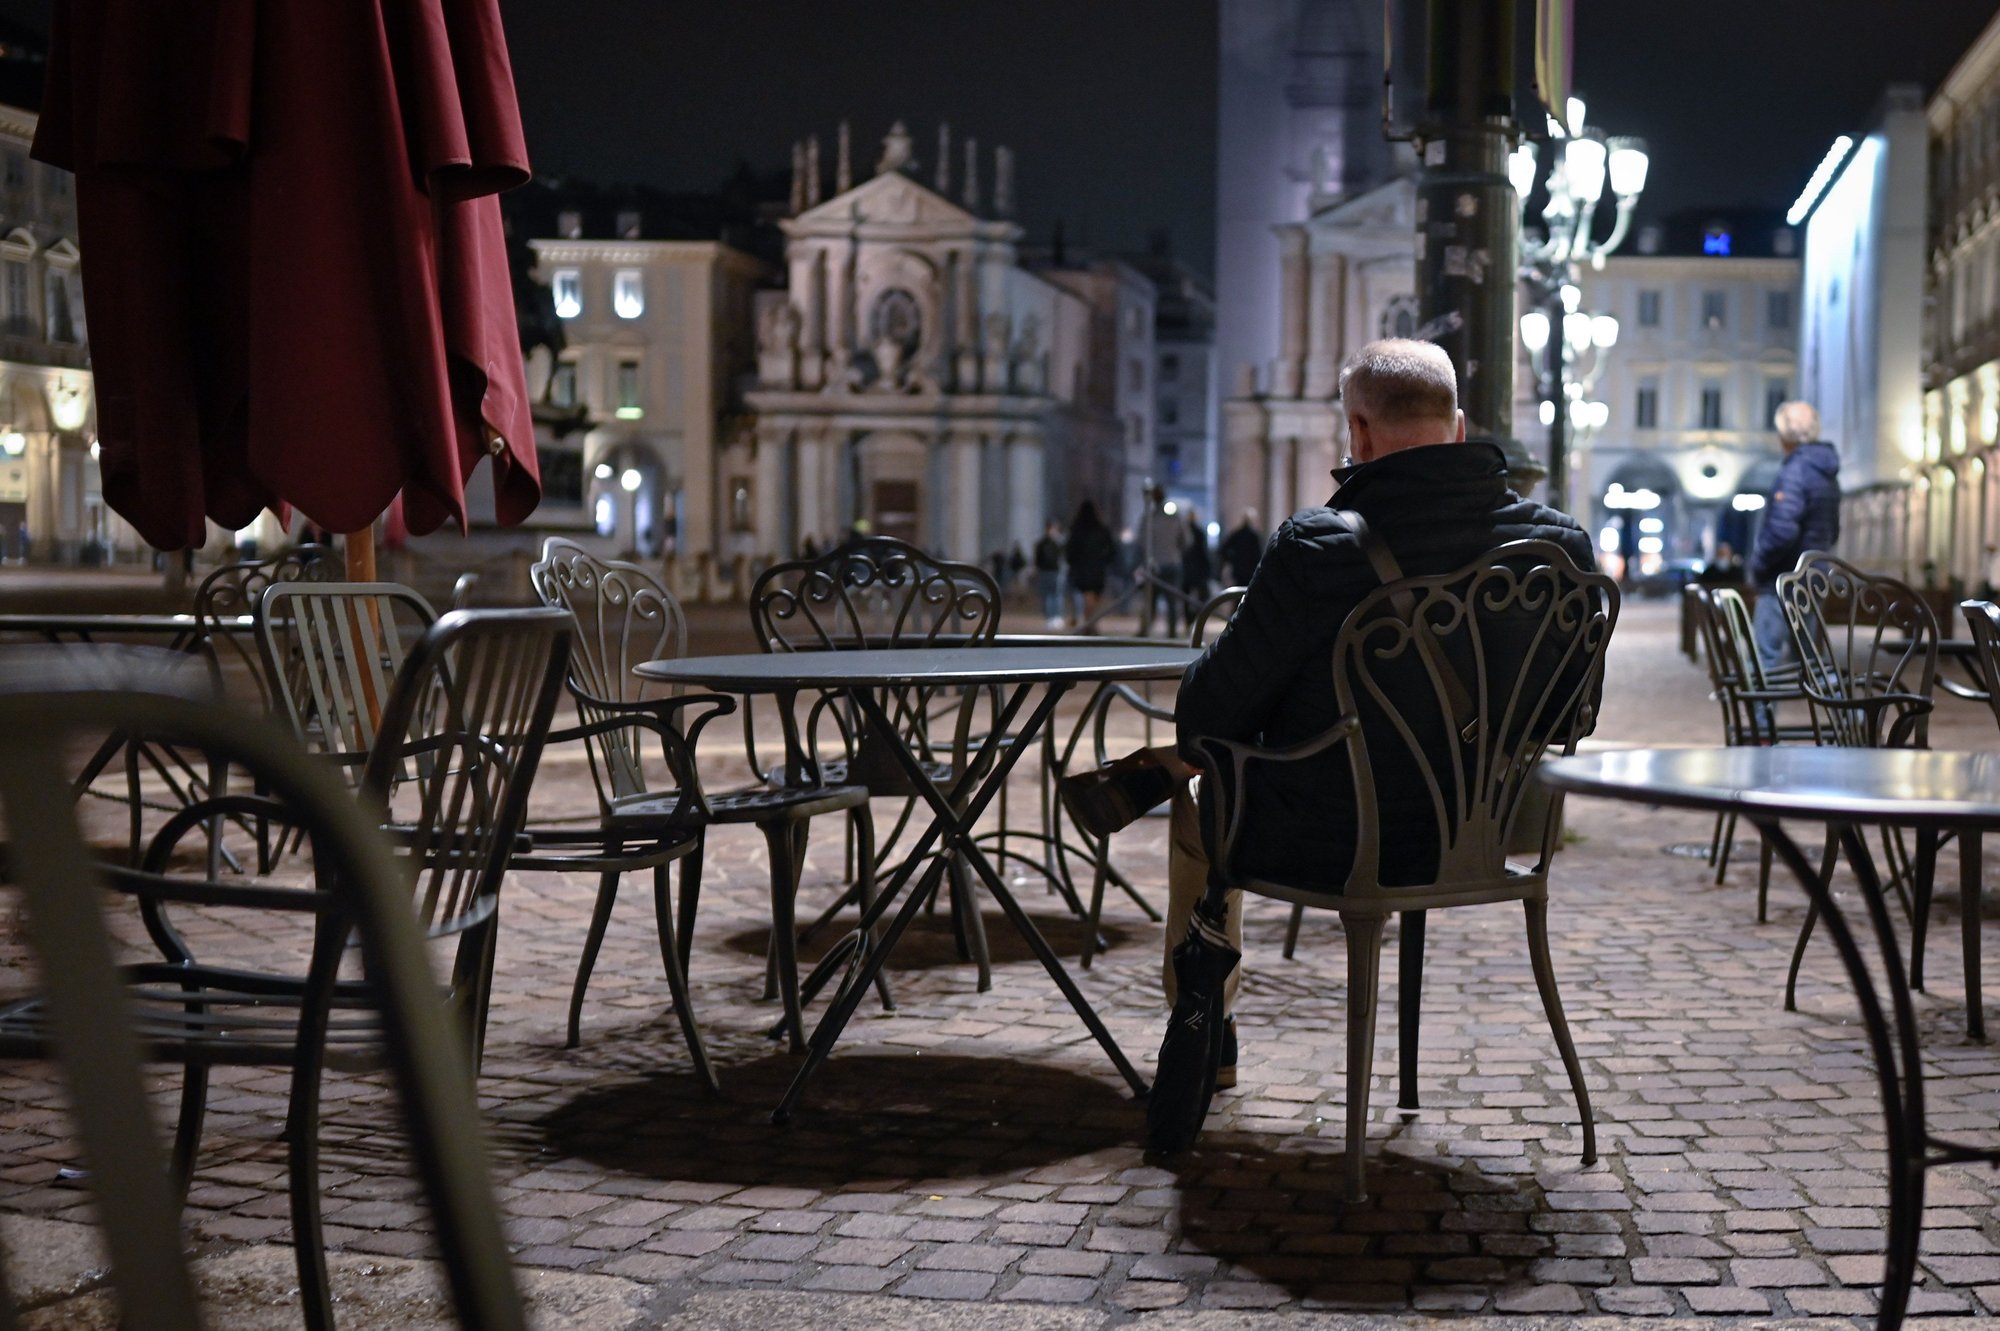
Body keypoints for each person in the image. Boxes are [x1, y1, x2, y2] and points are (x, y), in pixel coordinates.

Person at [1161, 339, 1598, 1083]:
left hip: (1336, 839)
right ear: (1459, 427)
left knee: (1196, 797)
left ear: (1358, 433)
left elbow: (1206, 718)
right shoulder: (1559, 545)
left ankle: (1212, 1033)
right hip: (1497, 833)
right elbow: (1573, 717)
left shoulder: (1315, 548)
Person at [1747, 401, 1841, 674]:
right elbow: (1833, 528)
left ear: (1784, 436)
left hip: (1782, 578)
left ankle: (1763, 706)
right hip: (1814, 576)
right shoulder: (1826, 473)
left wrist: (1759, 567)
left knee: (1765, 662)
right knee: (1808, 661)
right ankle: (1838, 703)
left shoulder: (1795, 472)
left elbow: (1781, 531)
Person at [1064, 499, 1116, 630]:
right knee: (1093, 597)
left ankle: (1090, 623)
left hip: (1082, 569)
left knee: (1088, 597)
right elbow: (1112, 550)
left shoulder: (1077, 530)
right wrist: (1105, 560)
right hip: (1097, 569)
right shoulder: (1101, 530)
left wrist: (1073, 563)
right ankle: (1090, 623)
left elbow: (1070, 550)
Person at [1219, 509, 1263, 587]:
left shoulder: (1237, 534)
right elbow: (1258, 554)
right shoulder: (1254, 536)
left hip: (1238, 569)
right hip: (1251, 569)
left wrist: (1232, 559)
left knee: (1239, 589)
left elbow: (1223, 549)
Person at [1033, 521, 1065, 626]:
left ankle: (1056, 616)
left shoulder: (1058, 542)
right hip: (1045, 571)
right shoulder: (1043, 543)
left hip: (1055, 572)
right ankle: (1050, 617)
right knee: (1047, 596)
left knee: (1056, 595)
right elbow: (1038, 558)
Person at [1180, 508, 1212, 612]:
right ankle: (1198, 613)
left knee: (1186, 593)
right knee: (1202, 593)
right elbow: (1203, 551)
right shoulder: (1199, 532)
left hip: (1186, 566)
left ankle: (1188, 615)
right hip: (1197, 566)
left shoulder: (1184, 531)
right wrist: (1207, 567)